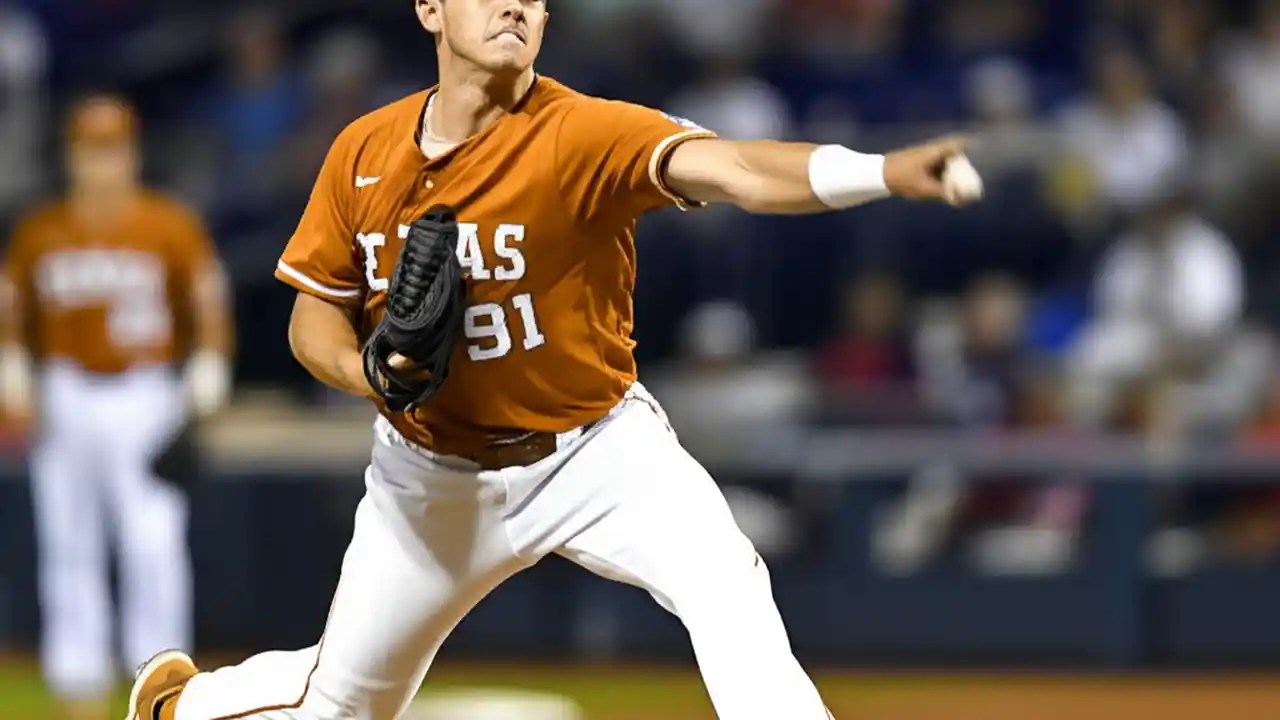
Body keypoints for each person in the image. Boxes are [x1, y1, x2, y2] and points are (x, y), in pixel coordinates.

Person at [125, 2, 977, 719]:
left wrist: (882, 171)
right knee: (339, 707)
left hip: (596, 451)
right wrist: (370, 377)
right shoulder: (364, 151)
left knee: (729, 589)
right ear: (429, 9)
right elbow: (314, 320)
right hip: (432, 479)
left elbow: (743, 169)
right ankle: (183, 705)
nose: (516, 7)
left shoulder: (583, 133)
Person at [0, 95, 233, 720]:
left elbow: (207, 303)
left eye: (112, 149)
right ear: (72, 154)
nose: (101, 163)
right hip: (66, 392)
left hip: (145, 392)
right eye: (89, 149)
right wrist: (15, 375)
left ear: (131, 153)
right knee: (67, 541)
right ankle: (77, 682)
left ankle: (161, 682)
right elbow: (13, 314)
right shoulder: (39, 231)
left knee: (151, 543)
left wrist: (207, 373)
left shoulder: (167, 224)